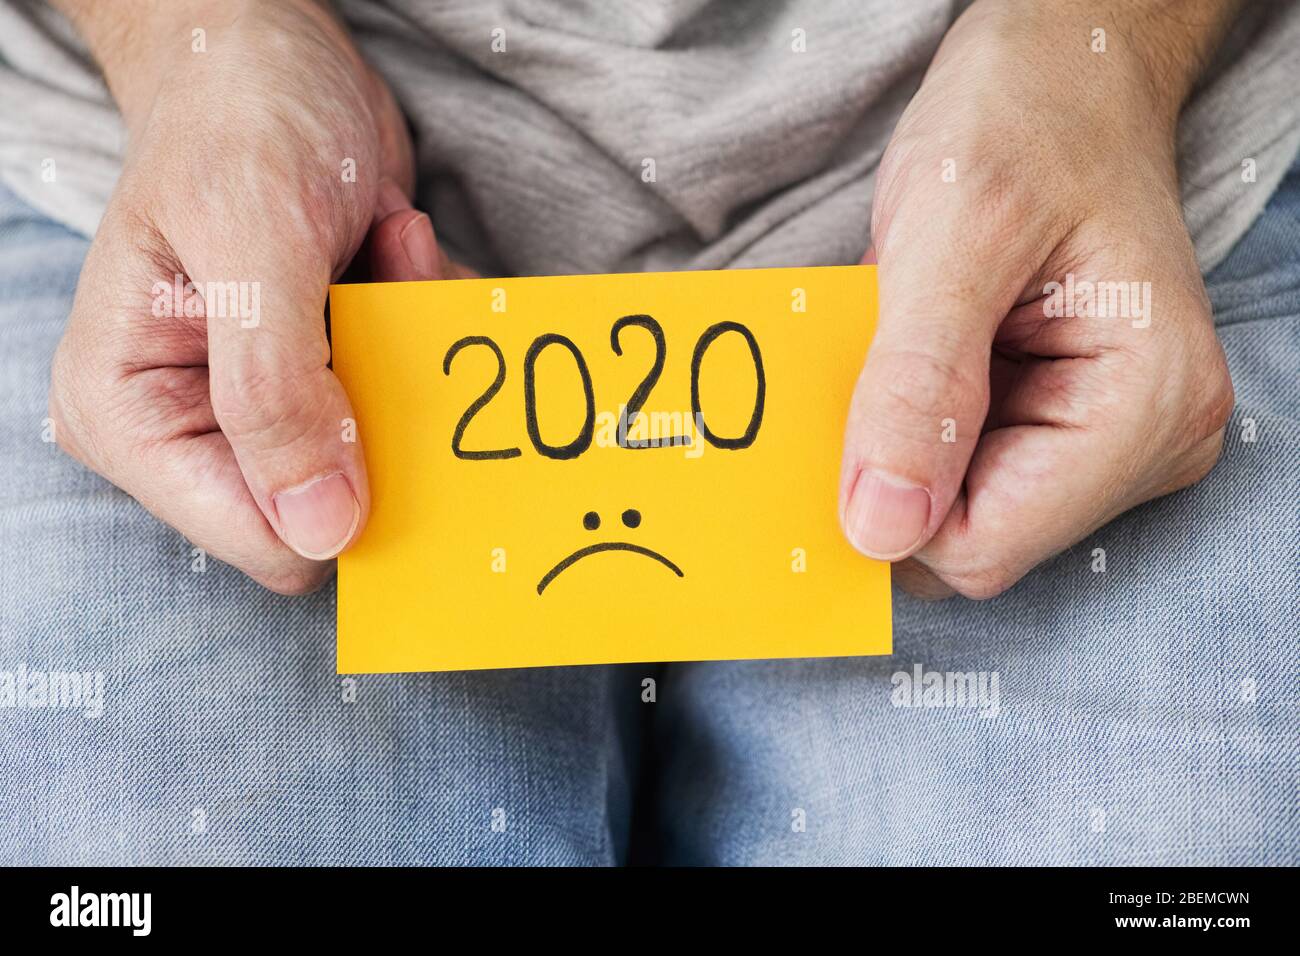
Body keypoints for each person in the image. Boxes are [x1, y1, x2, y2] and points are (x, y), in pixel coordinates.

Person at [0, 0, 1295, 864]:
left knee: (1183, 855)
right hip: (211, 214)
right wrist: (194, 45)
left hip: (1070, 215)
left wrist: (1103, 49)